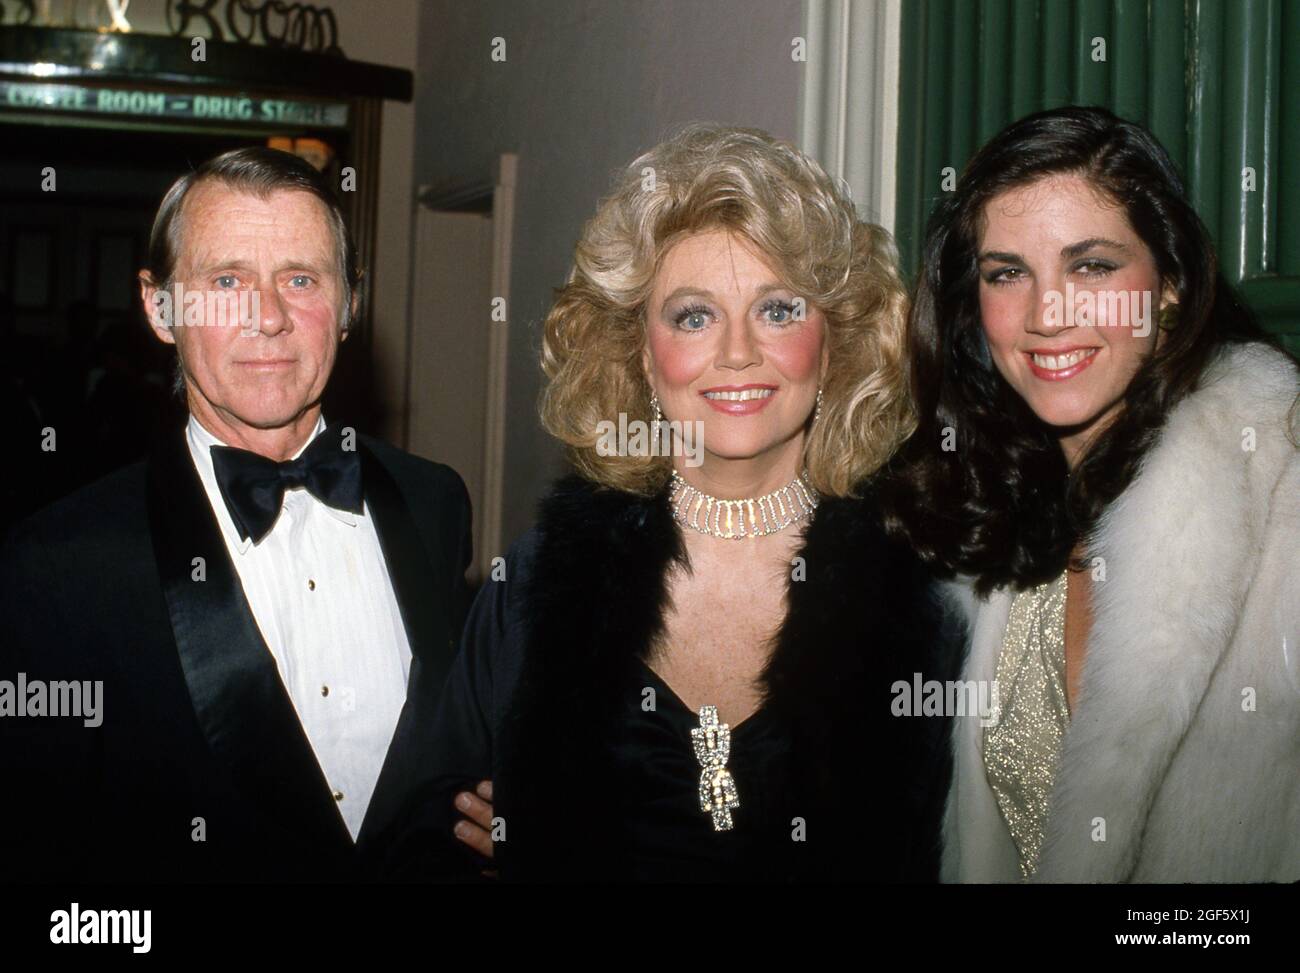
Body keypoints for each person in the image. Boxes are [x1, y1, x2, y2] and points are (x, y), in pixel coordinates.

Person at [379, 124, 963, 882]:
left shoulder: (930, 593)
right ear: (639, 356)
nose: (737, 352)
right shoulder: (532, 584)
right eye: (693, 315)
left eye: (779, 309)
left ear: (836, 343)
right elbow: (414, 845)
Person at [0, 147, 473, 882]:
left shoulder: (434, 502)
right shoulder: (59, 563)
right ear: (160, 309)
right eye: (227, 281)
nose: (270, 317)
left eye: (301, 279)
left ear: (348, 305)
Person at [883, 106, 1300, 882]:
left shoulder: (1284, 485)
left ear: (1170, 285)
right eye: (1008, 272)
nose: (1047, 315)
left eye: (1093, 266)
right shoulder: (985, 516)